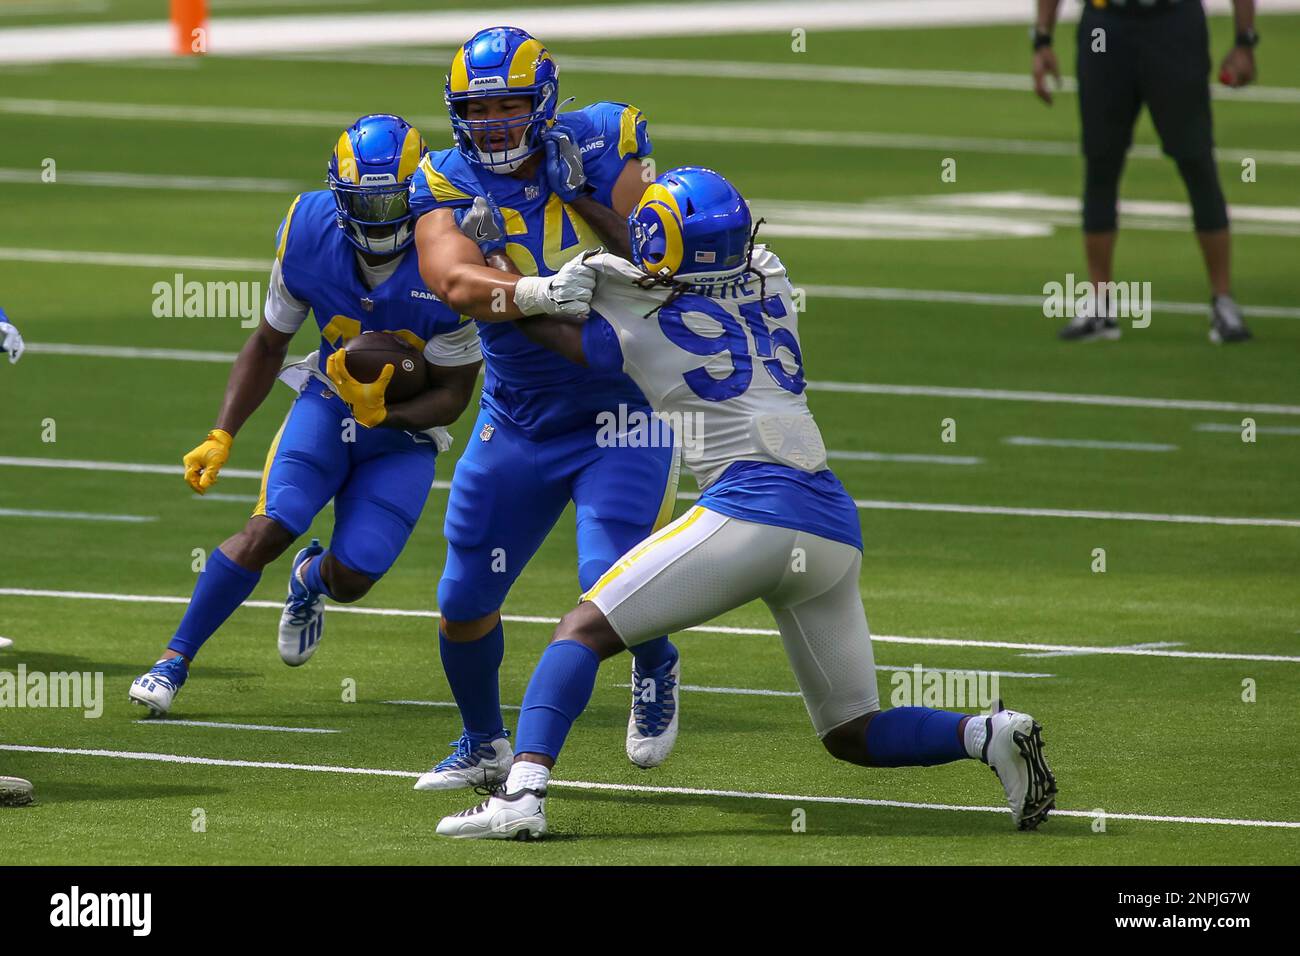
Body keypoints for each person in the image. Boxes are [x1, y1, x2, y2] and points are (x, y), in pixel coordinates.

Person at [435, 167, 1057, 840]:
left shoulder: (637, 315)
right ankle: (987, 733)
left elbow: (554, 325)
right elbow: (658, 256)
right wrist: (589, 200)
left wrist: (497, 257)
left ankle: (522, 795)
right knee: (851, 728)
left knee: (580, 632)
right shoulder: (770, 272)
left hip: (750, 510)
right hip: (829, 525)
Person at [128, 114, 482, 715]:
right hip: (325, 399)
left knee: (355, 577)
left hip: (405, 434)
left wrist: (386, 415)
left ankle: (310, 581)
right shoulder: (309, 231)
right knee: (269, 526)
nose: (377, 217)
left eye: (391, 201)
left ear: (418, 194)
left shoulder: (455, 250)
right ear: (338, 197)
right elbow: (269, 342)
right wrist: (222, 432)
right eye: (361, 203)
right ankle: (171, 662)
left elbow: (453, 394)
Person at [408, 26, 685, 790]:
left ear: (544, 103)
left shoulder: (602, 141)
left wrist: (583, 196)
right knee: (463, 596)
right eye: (479, 107)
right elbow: (453, 281)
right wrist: (535, 292)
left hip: (621, 412)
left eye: (508, 105)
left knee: (608, 585)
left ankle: (656, 660)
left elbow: (657, 259)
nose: (493, 122)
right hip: (520, 413)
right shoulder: (445, 176)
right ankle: (483, 744)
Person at [1032, 0, 1257, 342]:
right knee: (1100, 160)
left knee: (1196, 159)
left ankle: (1223, 300)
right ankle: (1099, 302)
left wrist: (1245, 39)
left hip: (1172, 21)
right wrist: (1042, 38)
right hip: (1103, 26)